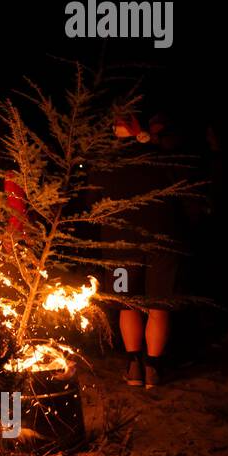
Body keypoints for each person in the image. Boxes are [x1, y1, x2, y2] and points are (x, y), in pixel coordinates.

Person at [98, 112, 182, 389]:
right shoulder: (158, 152)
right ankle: (152, 369)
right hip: (160, 237)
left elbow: (94, 201)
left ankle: (134, 365)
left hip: (120, 242)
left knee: (126, 302)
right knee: (158, 303)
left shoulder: (106, 160)